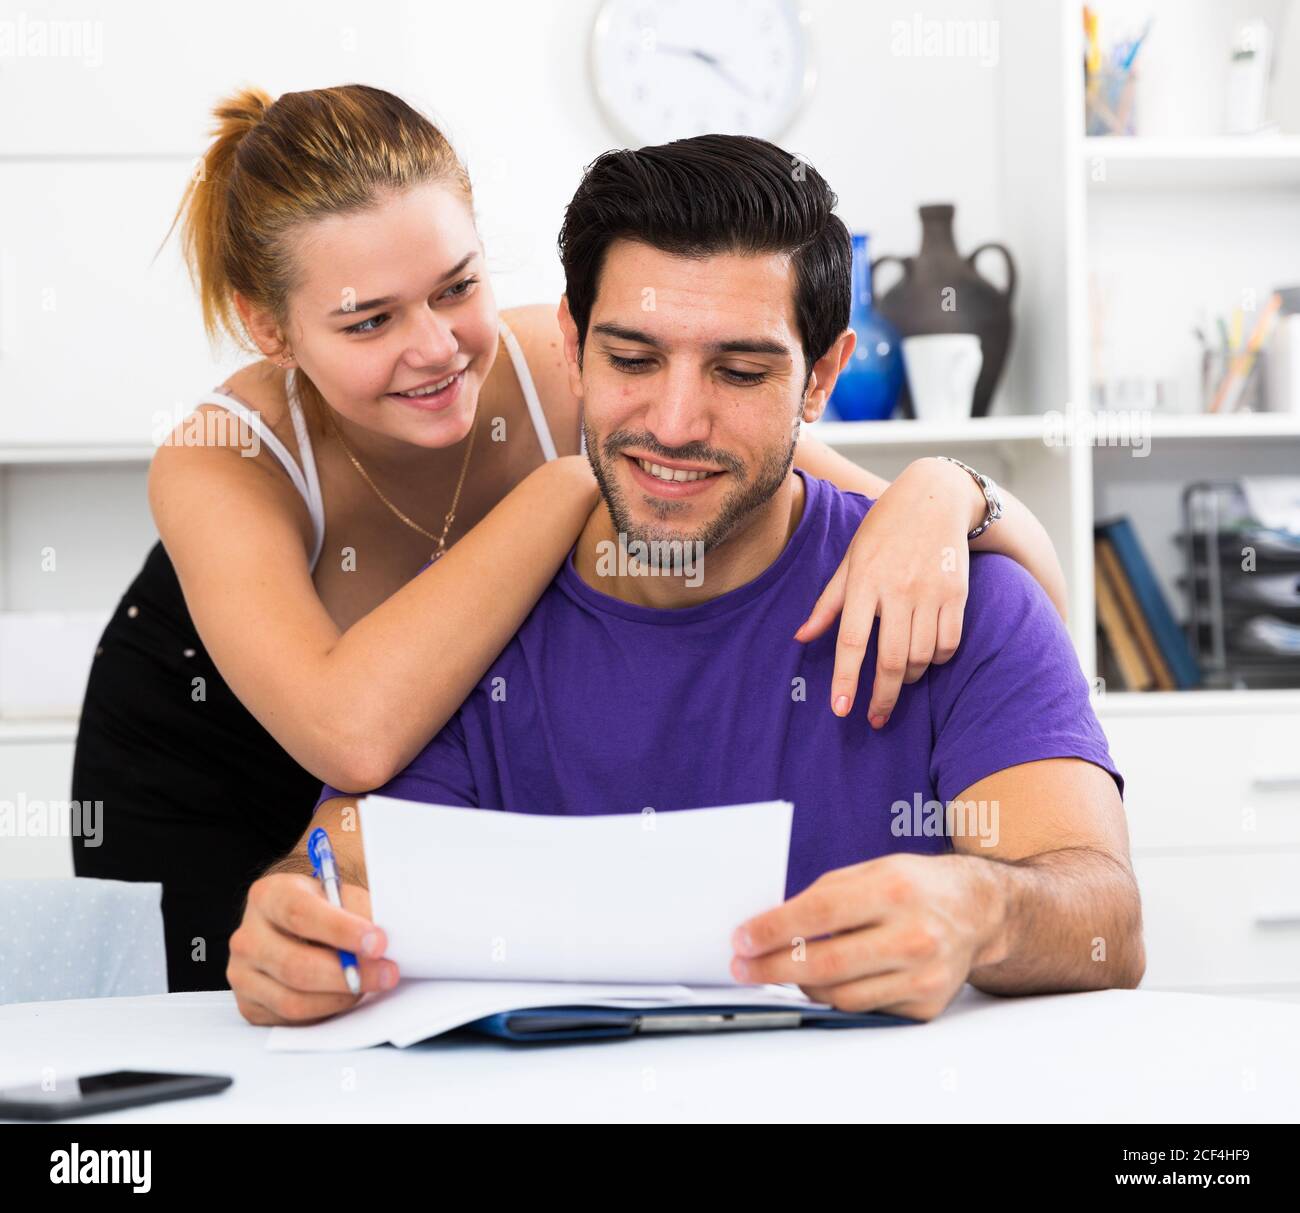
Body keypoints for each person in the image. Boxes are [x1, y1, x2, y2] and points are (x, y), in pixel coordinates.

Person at [73, 84, 1067, 993]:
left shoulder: (582, 365)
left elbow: (830, 494)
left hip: (424, 732)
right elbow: (353, 734)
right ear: (270, 328)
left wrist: (946, 491)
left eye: (455, 286)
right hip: (222, 738)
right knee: (249, 994)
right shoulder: (224, 453)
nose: (436, 348)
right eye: (369, 321)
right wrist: (568, 484)